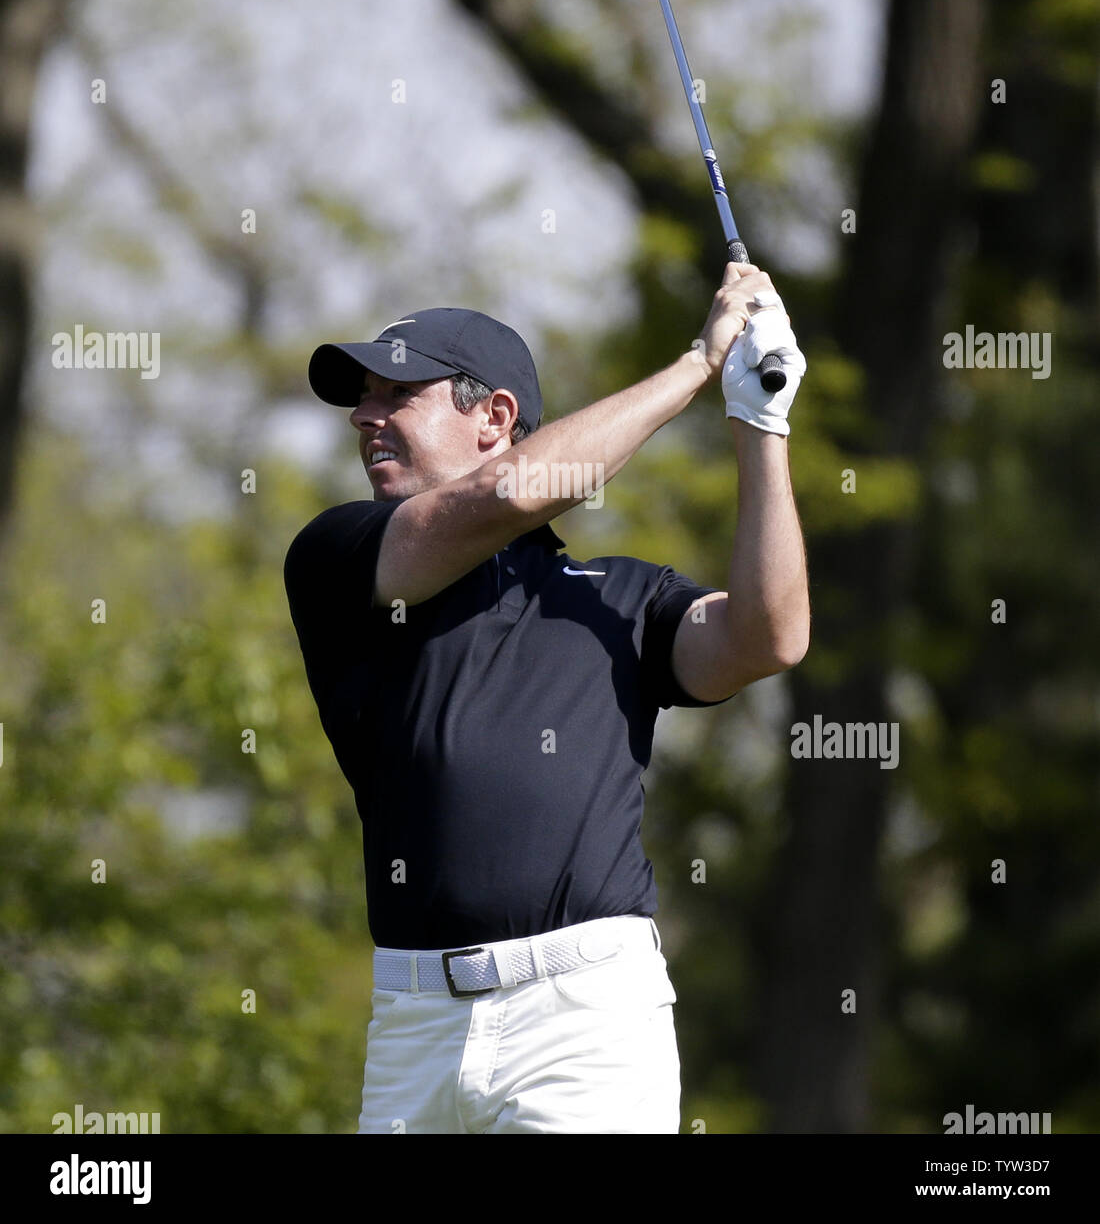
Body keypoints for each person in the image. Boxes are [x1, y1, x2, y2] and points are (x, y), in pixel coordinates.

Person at [283, 260, 809, 1134]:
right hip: (412, 1023)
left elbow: (769, 638)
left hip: (583, 1019)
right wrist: (694, 366)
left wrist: (759, 422)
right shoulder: (340, 556)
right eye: (361, 400)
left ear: (493, 416)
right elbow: (514, 491)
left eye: (395, 395)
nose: (364, 417)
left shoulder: (619, 597)